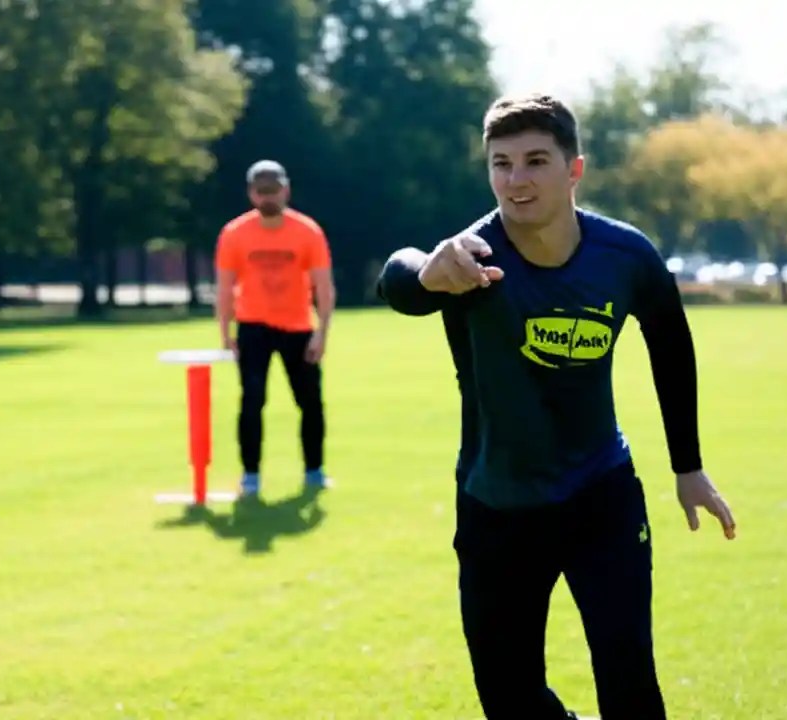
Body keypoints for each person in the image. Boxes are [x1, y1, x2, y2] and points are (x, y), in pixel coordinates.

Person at [374, 93, 737, 720]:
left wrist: (689, 466)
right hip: (496, 507)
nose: (516, 181)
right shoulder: (471, 259)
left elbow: (671, 347)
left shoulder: (626, 256)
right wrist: (428, 273)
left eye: (536, 161)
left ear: (575, 169)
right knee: (509, 700)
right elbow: (400, 279)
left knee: (630, 685)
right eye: (501, 163)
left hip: (601, 498)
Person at [215, 159, 336, 498]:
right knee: (252, 401)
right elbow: (225, 287)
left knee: (310, 402)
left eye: (273, 191)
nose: (268, 198)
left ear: (286, 190)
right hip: (253, 328)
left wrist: (321, 332)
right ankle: (250, 476)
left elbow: (323, 286)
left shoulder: (307, 231)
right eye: (261, 192)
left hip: (298, 328)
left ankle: (314, 471)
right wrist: (226, 334)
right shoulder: (235, 234)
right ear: (251, 193)